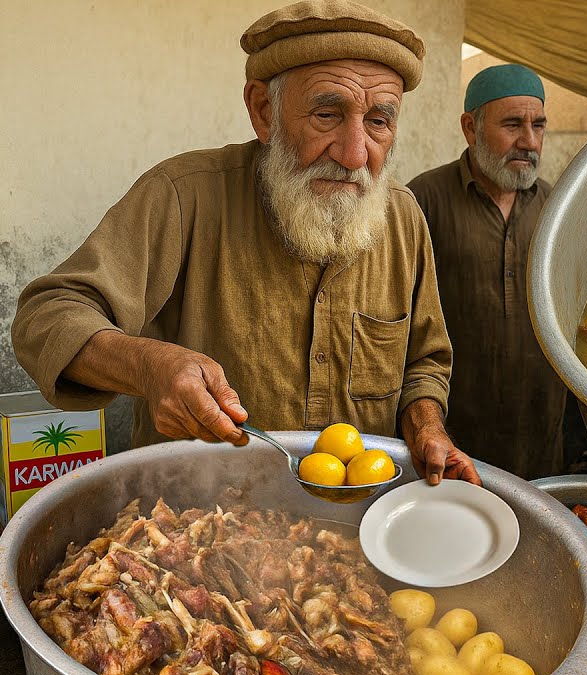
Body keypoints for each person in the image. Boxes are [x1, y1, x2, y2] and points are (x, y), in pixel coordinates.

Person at [10, 0, 478, 486]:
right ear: (263, 111)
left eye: (378, 122)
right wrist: (149, 366)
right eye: (326, 114)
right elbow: (46, 317)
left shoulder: (402, 217)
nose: (355, 154)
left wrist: (426, 426)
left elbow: (423, 362)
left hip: (361, 519)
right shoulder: (184, 196)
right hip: (197, 515)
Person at [407, 64, 574, 480]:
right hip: (450, 433)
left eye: (538, 125)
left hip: (540, 432)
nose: (529, 141)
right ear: (471, 128)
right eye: (513, 125)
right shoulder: (421, 201)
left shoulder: (558, 209)